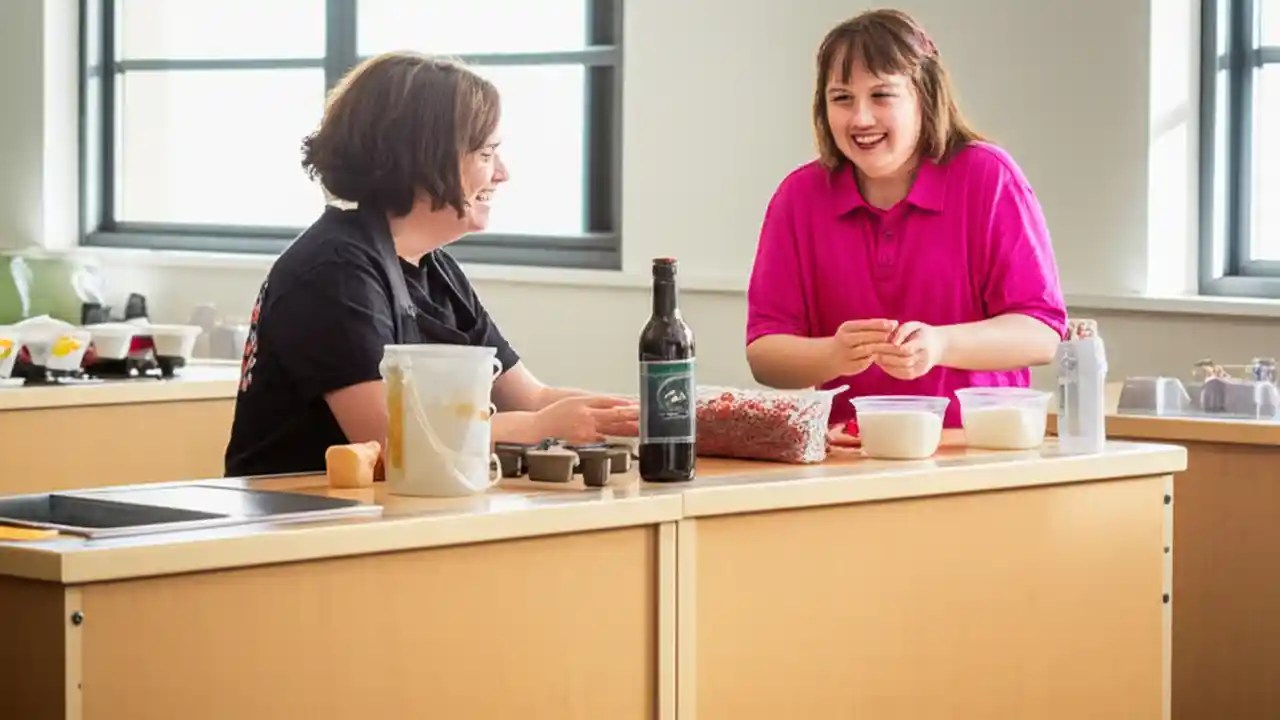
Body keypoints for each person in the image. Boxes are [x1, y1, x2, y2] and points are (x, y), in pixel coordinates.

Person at [225, 52, 637, 477]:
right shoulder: (333, 272)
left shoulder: (435, 268)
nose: (502, 173)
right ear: (423, 158)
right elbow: (390, 440)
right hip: (304, 524)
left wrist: (654, 416)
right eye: (486, 154)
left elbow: (532, 398)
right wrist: (535, 428)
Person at [745, 9, 1068, 434]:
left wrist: (940, 344)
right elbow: (764, 356)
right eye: (841, 98)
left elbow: (1041, 334)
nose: (860, 118)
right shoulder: (799, 197)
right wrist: (834, 355)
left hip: (977, 451)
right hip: (846, 455)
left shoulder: (988, 177)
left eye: (881, 95)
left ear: (924, 97)